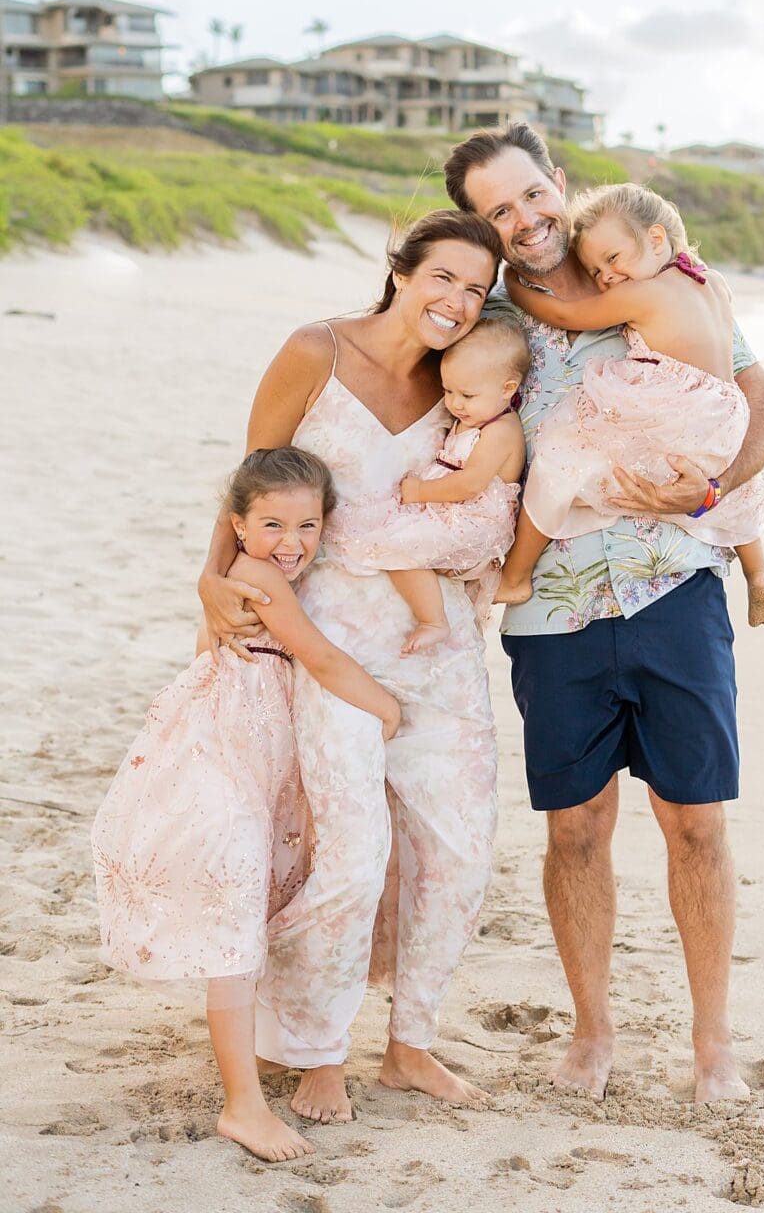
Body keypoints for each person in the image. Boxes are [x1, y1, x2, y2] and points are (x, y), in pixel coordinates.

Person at [443, 124, 764, 1104]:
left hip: (671, 585)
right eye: (497, 211)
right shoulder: (485, 317)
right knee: (575, 830)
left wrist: (710, 486)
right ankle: (590, 1033)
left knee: (694, 822)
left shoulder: (653, 277)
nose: (522, 220)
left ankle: (711, 1042)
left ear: (557, 183)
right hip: (548, 611)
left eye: (529, 195)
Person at [197, 209, 503, 1123]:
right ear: (401, 271)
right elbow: (251, 481)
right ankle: (317, 1050)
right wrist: (209, 584)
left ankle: (410, 1044)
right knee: (350, 856)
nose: (456, 300)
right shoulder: (316, 350)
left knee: (458, 852)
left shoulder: (473, 381)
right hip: (326, 645)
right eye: (442, 276)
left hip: (440, 646)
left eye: (476, 290)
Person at [91, 447, 401, 1163]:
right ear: (236, 524)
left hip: (263, 753)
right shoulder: (255, 573)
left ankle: (281, 1052)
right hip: (226, 751)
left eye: (307, 527)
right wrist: (385, 709)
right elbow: (317, 656)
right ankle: (242, 1106)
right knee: (235, 915)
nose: (289, 544)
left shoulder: (264, 567)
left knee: (263, 906)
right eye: (270, 524)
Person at [496, 181, 764, 629]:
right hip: (725, 412)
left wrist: (514, 285)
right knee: (735, 488)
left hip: (675, 400)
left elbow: (567, 316)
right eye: (596, 272)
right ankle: (758, 573)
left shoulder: (643, 294)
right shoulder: (711, 281)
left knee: (565, 446)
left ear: (656, 239)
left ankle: (515, 574)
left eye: (613, 259)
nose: (607, 278)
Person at [338, 315, 528, 650]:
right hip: (448, 511)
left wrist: (419, 492)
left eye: (467, 395)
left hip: (475, 523)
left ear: (508, 388)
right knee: (372, 532)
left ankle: (433, 620)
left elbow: (470, 484)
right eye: (448, 391)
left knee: (397, 547)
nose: (455, 403)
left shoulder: (500, 430)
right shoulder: (473, 417)